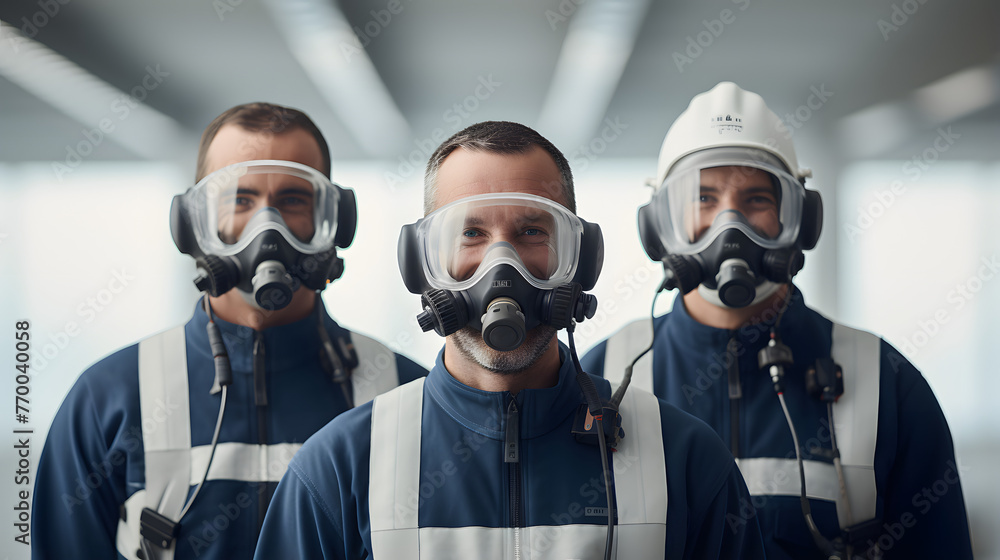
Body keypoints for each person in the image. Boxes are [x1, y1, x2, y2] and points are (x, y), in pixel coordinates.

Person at [254, 121, 766, 559]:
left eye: (532, 233)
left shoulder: (684, 456)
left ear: (581, 260)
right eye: (470, 233)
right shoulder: (339, 468)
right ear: (420, 262)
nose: (502, 265)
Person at [582, 82, 973, 559]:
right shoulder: (603, 380)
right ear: (657, 228)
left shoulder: (886, 384)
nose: (729, 225)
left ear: (802, 221)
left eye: (756, 201)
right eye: (703, 199)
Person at [32, 102, 427, 560]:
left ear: (336, 220)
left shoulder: (405, 394)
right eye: (240, 199)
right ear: (191, 223)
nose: (267, 226)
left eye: (293, 199)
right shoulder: (107, 399)